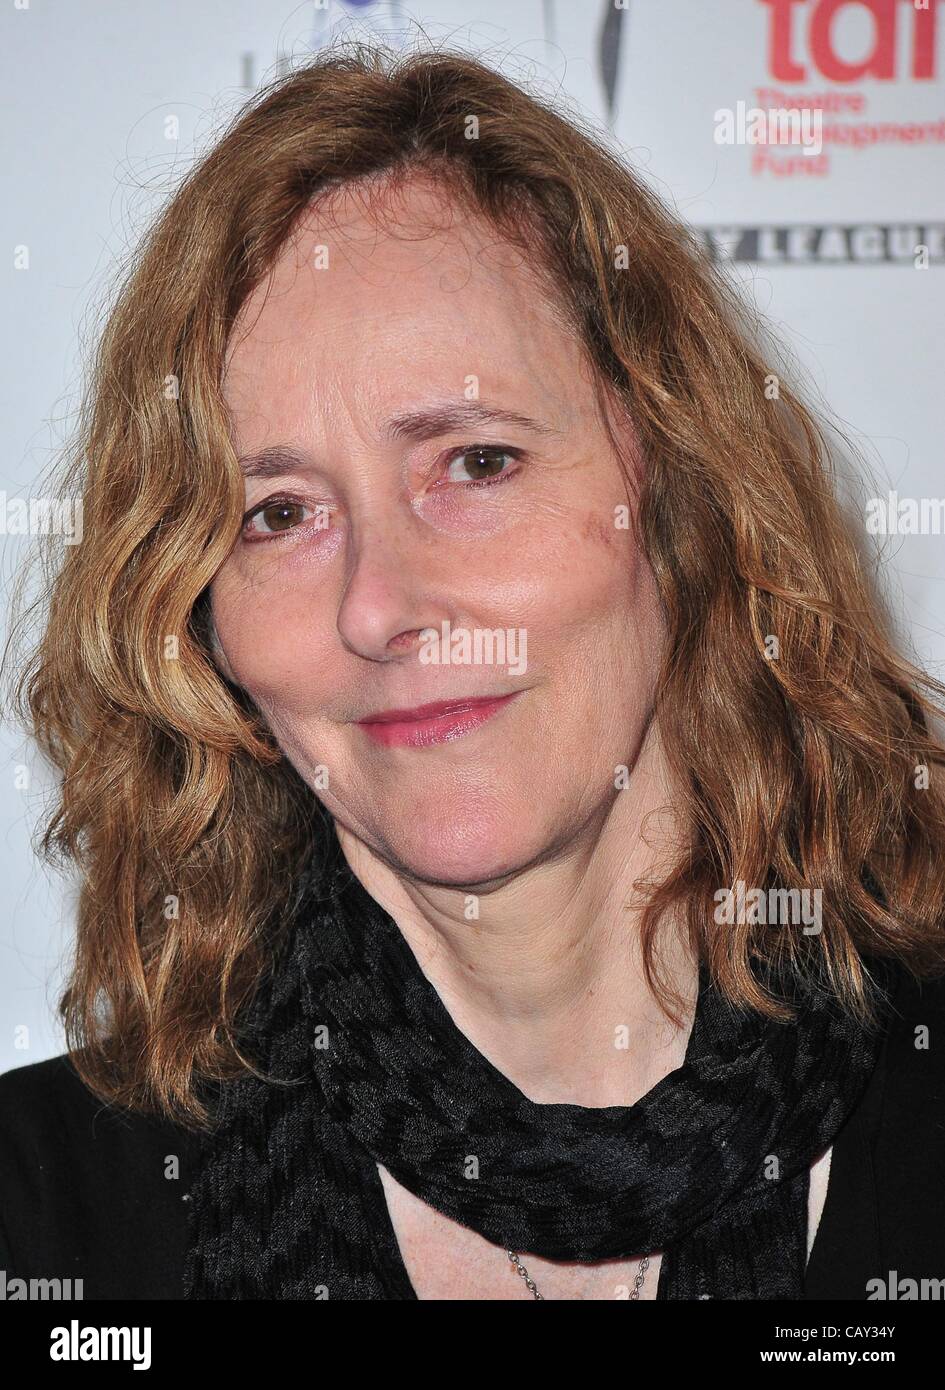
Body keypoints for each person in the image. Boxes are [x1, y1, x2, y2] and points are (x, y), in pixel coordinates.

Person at [2, 45, 944, 1302]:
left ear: (675, 487)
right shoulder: (43, 1215)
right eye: (278, 514)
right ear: (200, 622)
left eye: (478, 463)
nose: (381, 607)